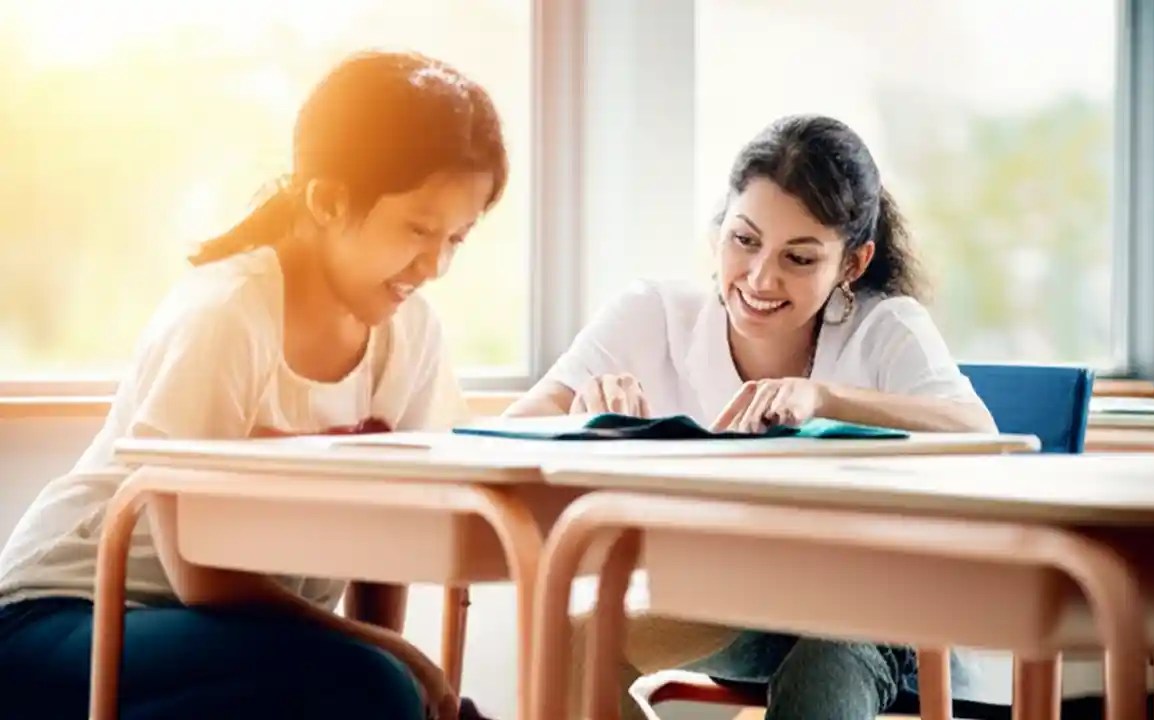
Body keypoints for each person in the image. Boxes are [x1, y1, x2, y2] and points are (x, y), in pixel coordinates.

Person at [0, 50, 507, 720]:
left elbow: (392, 527)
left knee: (381, 691)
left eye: (457, 240)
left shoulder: (410, 334)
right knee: (371, 686)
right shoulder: (227, 313)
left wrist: (393, 654)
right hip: (67, 618)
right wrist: (387, 656)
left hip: (235, 644)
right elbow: (198, 574)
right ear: (328, 200)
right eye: (418, 229)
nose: (435, 265)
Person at [508, 114, 996, 719]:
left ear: (852, 263)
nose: (761, 277)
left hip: (884, 615)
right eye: (744, 240)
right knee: (573, 641)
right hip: (744, 604)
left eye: (799, 257)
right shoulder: (651, 315)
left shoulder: (885, 328)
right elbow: (512, 428)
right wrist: (578, 411)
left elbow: (981, 436)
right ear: (721, 227)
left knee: (827, 659)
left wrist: (824, 399)